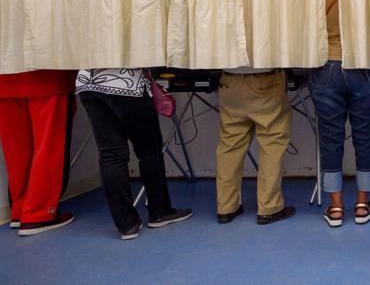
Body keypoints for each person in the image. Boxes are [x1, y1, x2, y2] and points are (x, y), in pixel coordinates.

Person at [309, 0, 370, 228]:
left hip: (327, 66)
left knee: (331, 138)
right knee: (365, 137)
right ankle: (363, 204)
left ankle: (336, 206)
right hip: (364, 65)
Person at [77, 68, 192, 239]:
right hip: (128, 83)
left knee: (111, 155)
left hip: (88, 83)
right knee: (149, 152)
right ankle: (159, 212)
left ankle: (126, 224)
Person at [0, 70, 77, 236]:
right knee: (49, 145)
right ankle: (39, 213)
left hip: (5, 75)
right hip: (48, 75)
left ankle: (20, 210)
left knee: (16, 151)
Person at [215, 67, 295, 225]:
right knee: (272, 143)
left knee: (230, 146)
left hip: (229, 80)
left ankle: (226, 207)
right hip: (265, 78)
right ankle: (269, 208)